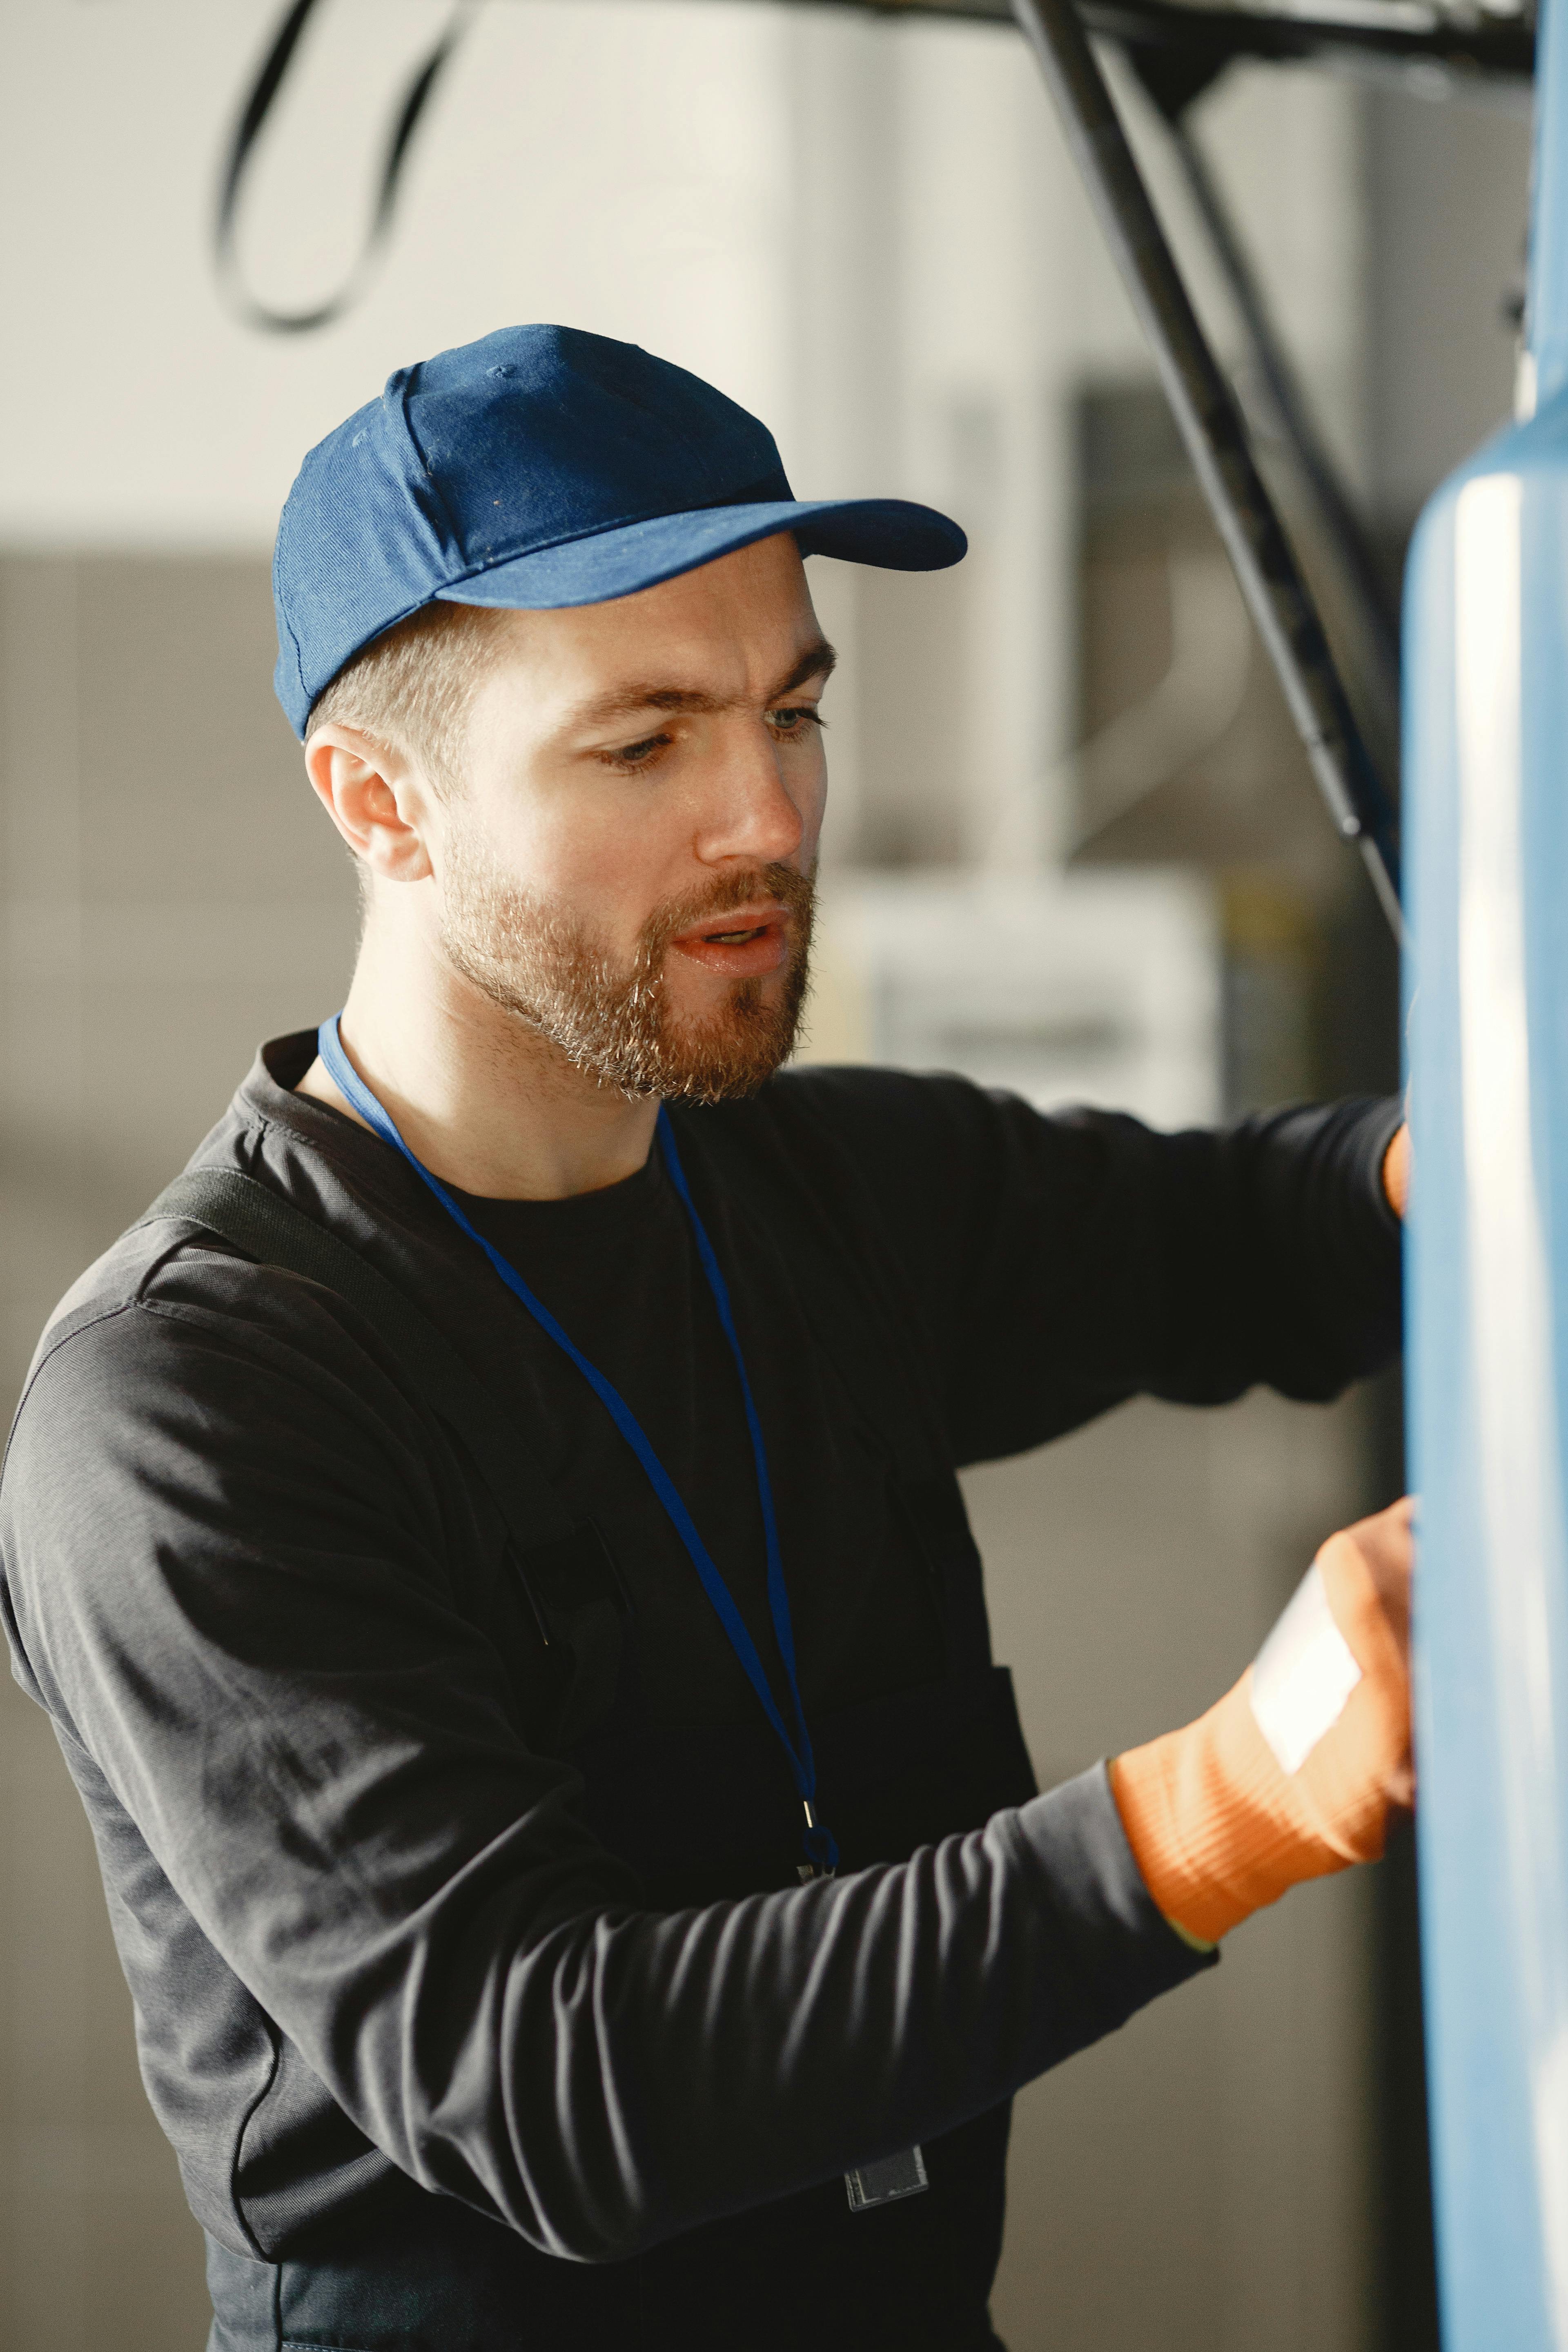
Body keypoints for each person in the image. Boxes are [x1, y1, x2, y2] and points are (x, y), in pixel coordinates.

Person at [0, 325, 1413, 2352]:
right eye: (646, 741)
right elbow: (556, 2086)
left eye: (794, 710)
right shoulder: (189, 1406)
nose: (765, 816)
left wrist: (1477, 1170)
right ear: (379, 804)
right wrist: (1230, 1803)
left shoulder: (804, 1190)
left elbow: (1260, 1232)